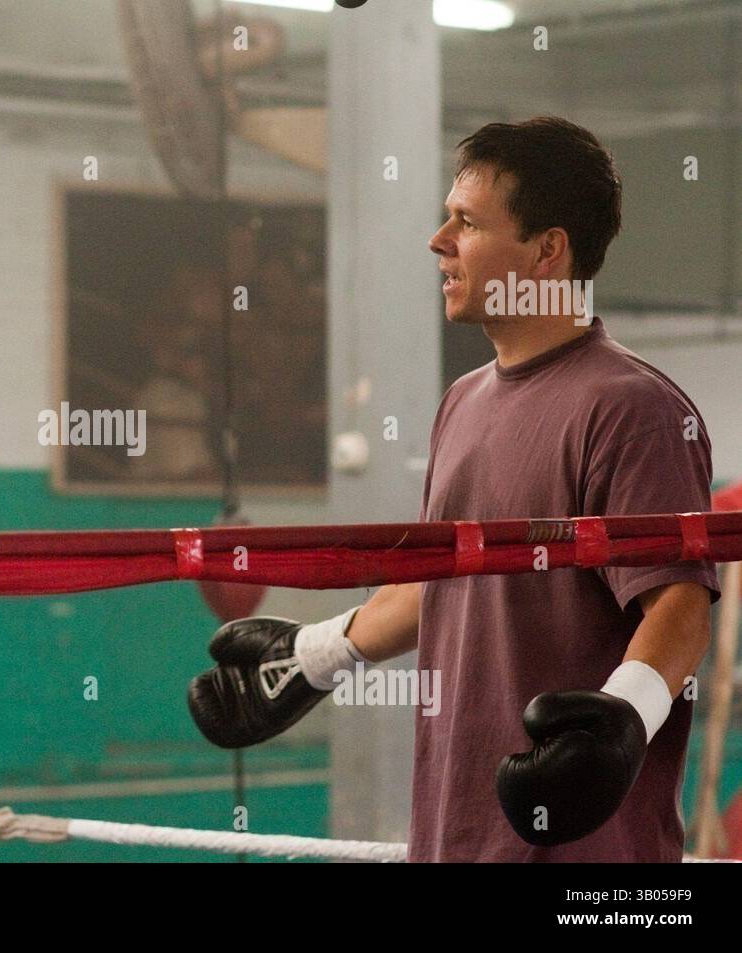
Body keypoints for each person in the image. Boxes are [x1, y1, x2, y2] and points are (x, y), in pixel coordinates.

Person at [188, 116, 719, 862]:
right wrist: (312, 656)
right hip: (454, 836)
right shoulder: (463, 401)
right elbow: (441, 586)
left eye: (466, 222)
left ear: (547, 251)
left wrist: (625, 717)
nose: (439, 241)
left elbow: (680, 603)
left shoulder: (632, 408)